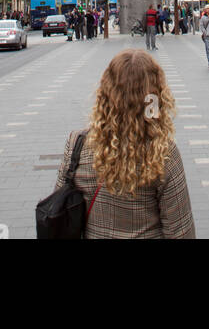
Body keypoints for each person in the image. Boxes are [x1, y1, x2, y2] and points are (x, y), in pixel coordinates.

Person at [52, 49, 195, 239]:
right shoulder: (163, 153)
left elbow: (60, 205)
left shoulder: (78, 144)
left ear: (106, 92)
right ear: (156, 95)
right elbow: (180, 232)